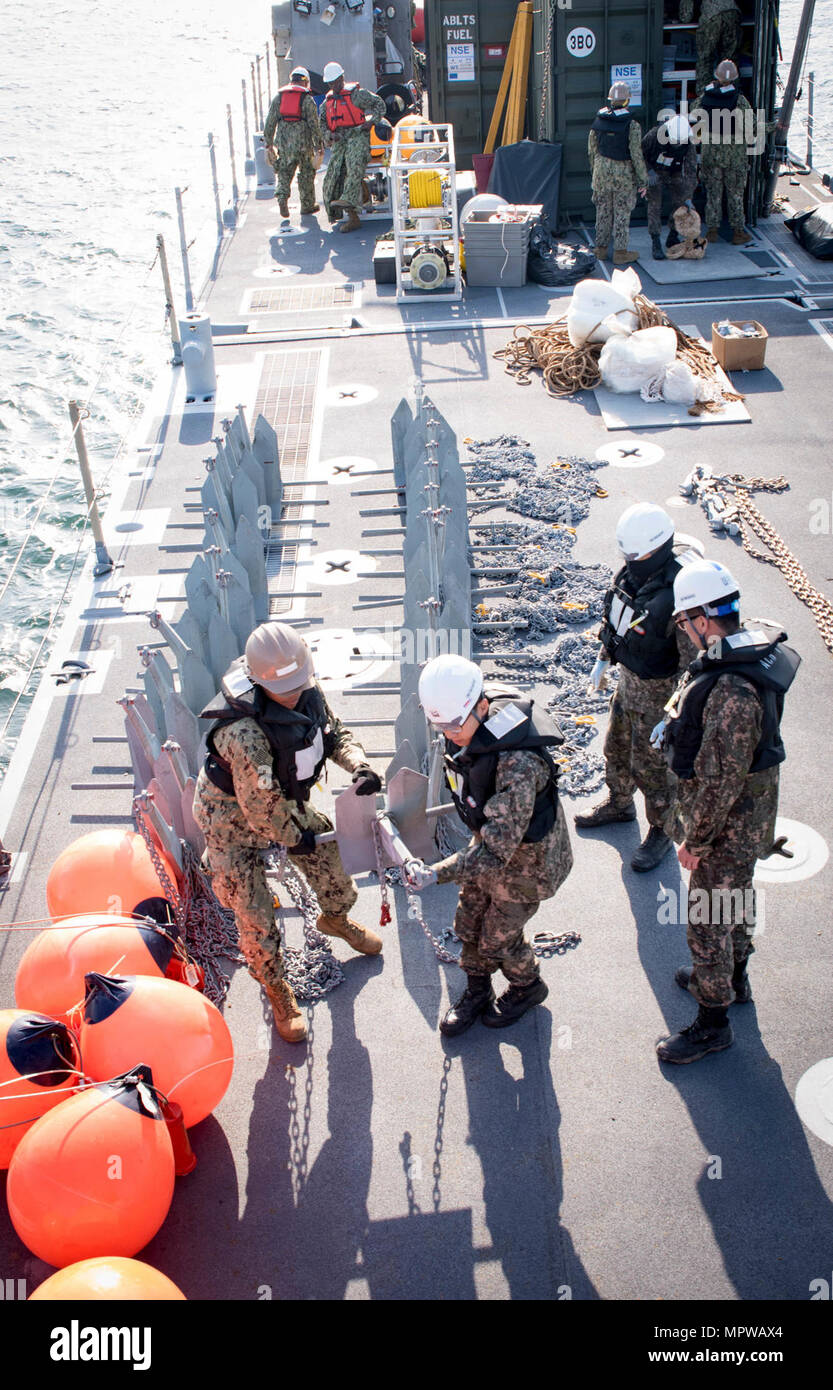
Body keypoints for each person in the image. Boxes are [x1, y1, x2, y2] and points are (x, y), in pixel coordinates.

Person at [192, 622, 383, 1044]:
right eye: (285, 688)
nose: (294, 693)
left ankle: (335, 918)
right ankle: (277, 988)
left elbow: (334, 735)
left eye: (300, 683)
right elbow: (260, 811)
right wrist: (296, 838)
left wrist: (360, 765)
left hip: (280, 802)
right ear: (259, 681)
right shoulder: (244, 732)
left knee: (333, 864)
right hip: (232, 825)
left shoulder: (307, 692)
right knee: (254, 914)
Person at [655, 560, 800, 1064]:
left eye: (683, 622)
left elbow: (722, 781)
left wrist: (696, 841)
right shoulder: (745, 655)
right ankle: (734, 978)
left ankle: (712, 1023)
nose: (684, 633)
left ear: (701, 619)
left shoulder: (731, 690)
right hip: (752, 817)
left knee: (706, 919)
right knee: (735, 899)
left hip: (728, 827)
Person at [404, 655, 573, 1036]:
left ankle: (528, 987)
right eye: (440, 725)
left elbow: (497, 851)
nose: (448, 734)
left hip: (529, 864)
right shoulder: (468, 724)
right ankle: (478, 990)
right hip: (489, 841)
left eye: (454, 724)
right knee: (468, 921)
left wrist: (435, 873)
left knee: (499, 938)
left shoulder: (518, 765)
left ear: (482, 706)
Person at [575, 504, 698, 872]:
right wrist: (603, 658)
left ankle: (662, 829)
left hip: (660, 699)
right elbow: (621, 621)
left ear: (658, 548)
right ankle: (620, 802)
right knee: (615, 747)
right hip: (627, 686)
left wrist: (673, 715)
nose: (630, 562)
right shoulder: (632, 578)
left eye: (637, 555)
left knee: (656, 771)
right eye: (626, 555)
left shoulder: (679, 596)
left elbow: (694, 666)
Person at [690, 59, 753, 244]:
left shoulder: (704, 98)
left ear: (716, 76)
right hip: (735, 157)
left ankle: (712, 231)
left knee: (713, 194)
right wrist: (773, 127)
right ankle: (738, 232)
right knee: (735, 195)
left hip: (711, 155)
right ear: (735, 78)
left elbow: (694, 119)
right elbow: (752, 127)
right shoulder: (740, 101)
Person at [320, 61, 386, 232]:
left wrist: (371, 122)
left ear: (342, 78)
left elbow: (380, 104)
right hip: (340, 140)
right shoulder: (327, 103)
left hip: (358, 136)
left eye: (335, 82)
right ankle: (349, 215)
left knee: (353, 164)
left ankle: (350, 204)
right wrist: (329, 135)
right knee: (333, 175)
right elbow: (322, 125)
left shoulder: (358, 95)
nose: (333, 86)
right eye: (330, 83)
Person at [587, 81, 648, 265]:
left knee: (603, 211)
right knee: (622, 212)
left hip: (601, 173)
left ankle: (601, 249)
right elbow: (636, 155)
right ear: (627, 100)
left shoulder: (598, 121)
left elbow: (592, 151)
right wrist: (643, 180)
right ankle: (620, 252)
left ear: (611, 100)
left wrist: (595, 173)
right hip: (623, 175)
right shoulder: (632, 125)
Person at [263, 65, 323, 219]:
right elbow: (314, 124)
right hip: (304, 142)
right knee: (306, 173)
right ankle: (307, 205)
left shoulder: (279, 97)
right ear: (306, 82)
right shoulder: (307, 99)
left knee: (284, 171)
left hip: (284, 141)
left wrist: (268, 142)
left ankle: (282, 197)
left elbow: (270, 121)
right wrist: (318, 145)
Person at [642, 113, 699, 260]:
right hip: (655, 170)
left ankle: (673, 235)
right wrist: (648, 172)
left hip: (674, 171)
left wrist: (688, 196)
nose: (677, 144)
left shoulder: (688, 142)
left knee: (680, 202)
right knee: (654, 204)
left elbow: (691, 169)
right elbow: (639, 155)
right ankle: (655, 240)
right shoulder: (654, 136)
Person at [679, 0, 742, 98]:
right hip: (732, 13)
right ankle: (733, 98)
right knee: (730, 61)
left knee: (705, 60)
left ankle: (705, 98)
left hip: (711, 16)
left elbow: (687, 7)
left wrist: (685, 17)